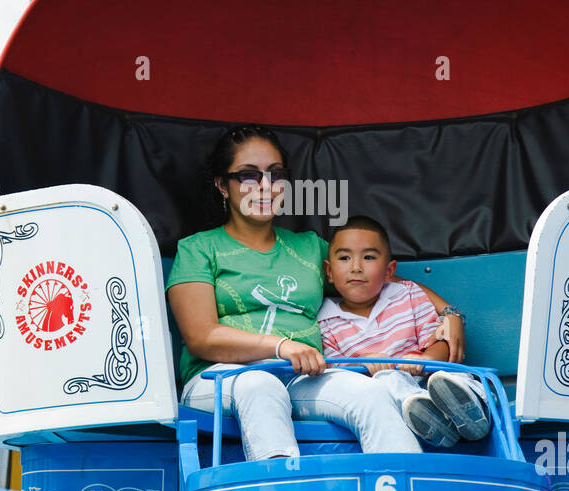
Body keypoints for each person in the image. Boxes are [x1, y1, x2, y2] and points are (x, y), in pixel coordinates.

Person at [165, 124, 466, 461]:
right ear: (222, 185)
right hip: (219, 379)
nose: (265, 186)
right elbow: (201, 337)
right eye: (248, 176)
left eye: (275, 174)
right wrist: (281, 347)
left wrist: (450, 314)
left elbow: (375, 278)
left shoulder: (309, 248)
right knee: (259, 386)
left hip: (302, 376)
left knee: (369, 393)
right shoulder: (199, 249)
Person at [318, 216, 491, 448]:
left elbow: (440, 339)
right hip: (389, 397)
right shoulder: (325, 320)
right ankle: (429, 418)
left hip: (430, 380)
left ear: (389, 270)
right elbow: (335, 373)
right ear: (328, 271)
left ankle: (474, 411)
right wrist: (363, 365)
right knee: (388, 379)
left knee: (453, 377)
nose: (356, 267)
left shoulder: (407, 294)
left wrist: (427, 359)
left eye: (368, 257)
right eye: (345, 258)